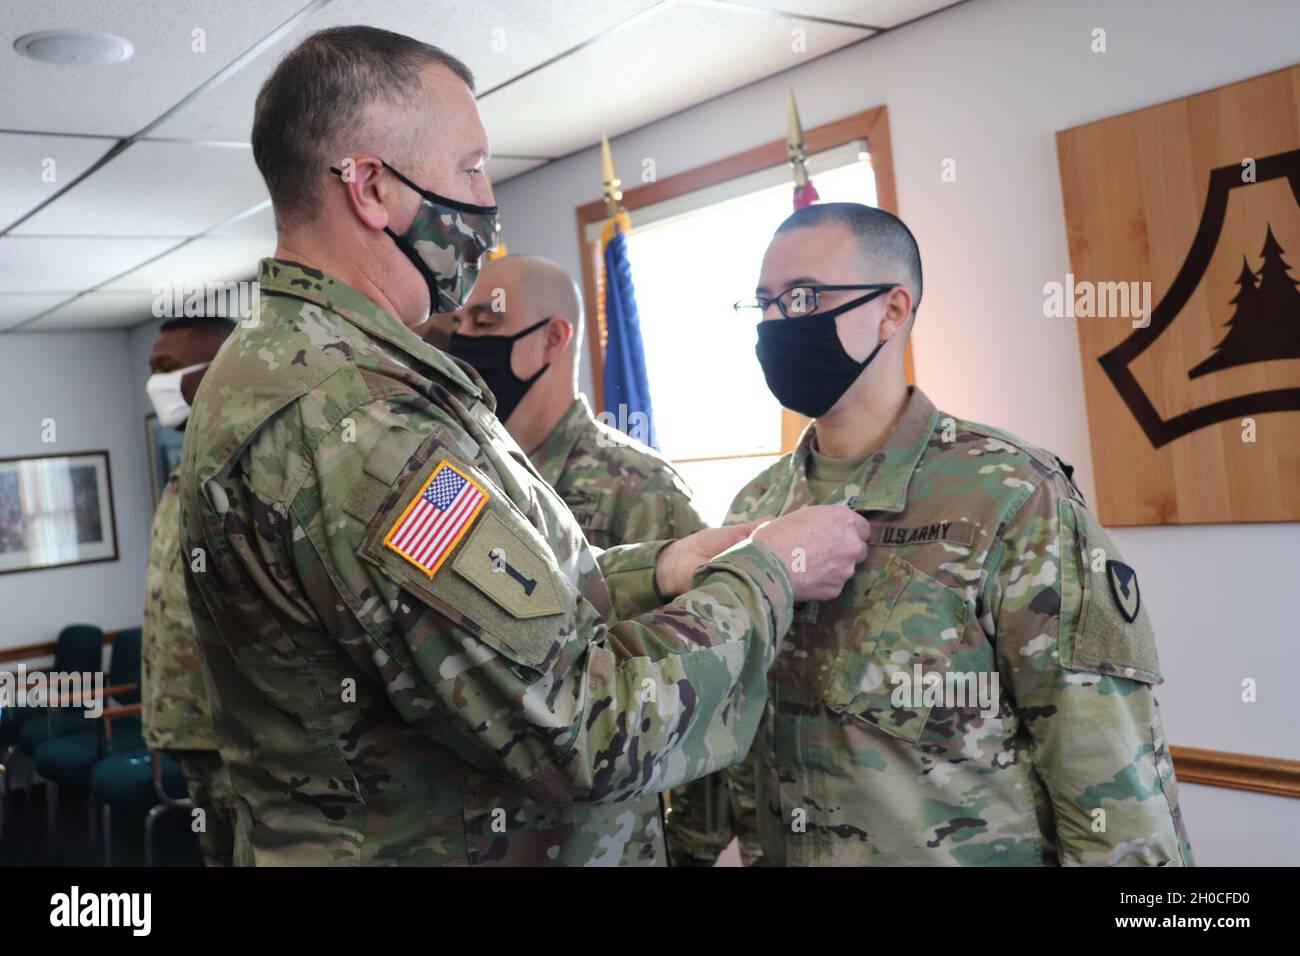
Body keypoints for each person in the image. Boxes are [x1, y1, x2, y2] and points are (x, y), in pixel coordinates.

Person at [178, 25, 869, 866]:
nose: (486, 200)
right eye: (469, 168)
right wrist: (769, 575)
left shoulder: (298, 365)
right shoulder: (355, 420)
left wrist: (662, 570)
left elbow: (503, 609)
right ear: (369, 188)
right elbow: (582, 727)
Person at [667, 202, 1195, 866]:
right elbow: (728, 733)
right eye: (764, 303)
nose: (777, 323)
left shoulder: (1009, 494)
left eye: (803, 298)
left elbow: (1105, 770)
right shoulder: (758, 506)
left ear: (893, 309)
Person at [448, 254, 707, 549]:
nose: (461, 340)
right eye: (457, 324)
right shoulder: (466, 463)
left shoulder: (645, 489)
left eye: (483, 323)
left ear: (552, 339)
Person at [141, 315, 238, 866]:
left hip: (234, 733)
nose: (154, 384)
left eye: (167, 369)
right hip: (188, 725)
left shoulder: (239, 471)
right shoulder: (185, 472)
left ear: (215, 372)